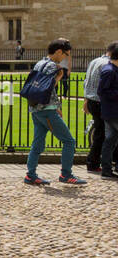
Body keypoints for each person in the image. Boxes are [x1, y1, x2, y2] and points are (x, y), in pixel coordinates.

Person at [23, 38, 84, 186]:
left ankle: (30, 175)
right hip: (47, 110)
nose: (65, 58)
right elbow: (48, 88)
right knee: (69, 141)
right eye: (65, 54)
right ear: (58, 51)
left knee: (37, 143)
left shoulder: (40, 63)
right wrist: (59, 77)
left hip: (35, 109)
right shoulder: (52, 66)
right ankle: (66, 174)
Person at [84, 46, 111, 172]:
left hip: (92, 100)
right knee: (103, 134)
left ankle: (93, 162)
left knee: (101, 133)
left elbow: (86, 81)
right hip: (101, 102)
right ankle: (93, 163)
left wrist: (86, 99)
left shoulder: (95, 61)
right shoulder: (108, 64)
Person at [97, 42, 118, 181]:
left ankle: (106, 170)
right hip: (113, 112)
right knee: (110, 141)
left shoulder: (113, 69)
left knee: (110, 141)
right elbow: (102, 91)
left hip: (112, 111)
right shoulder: (109, 71)